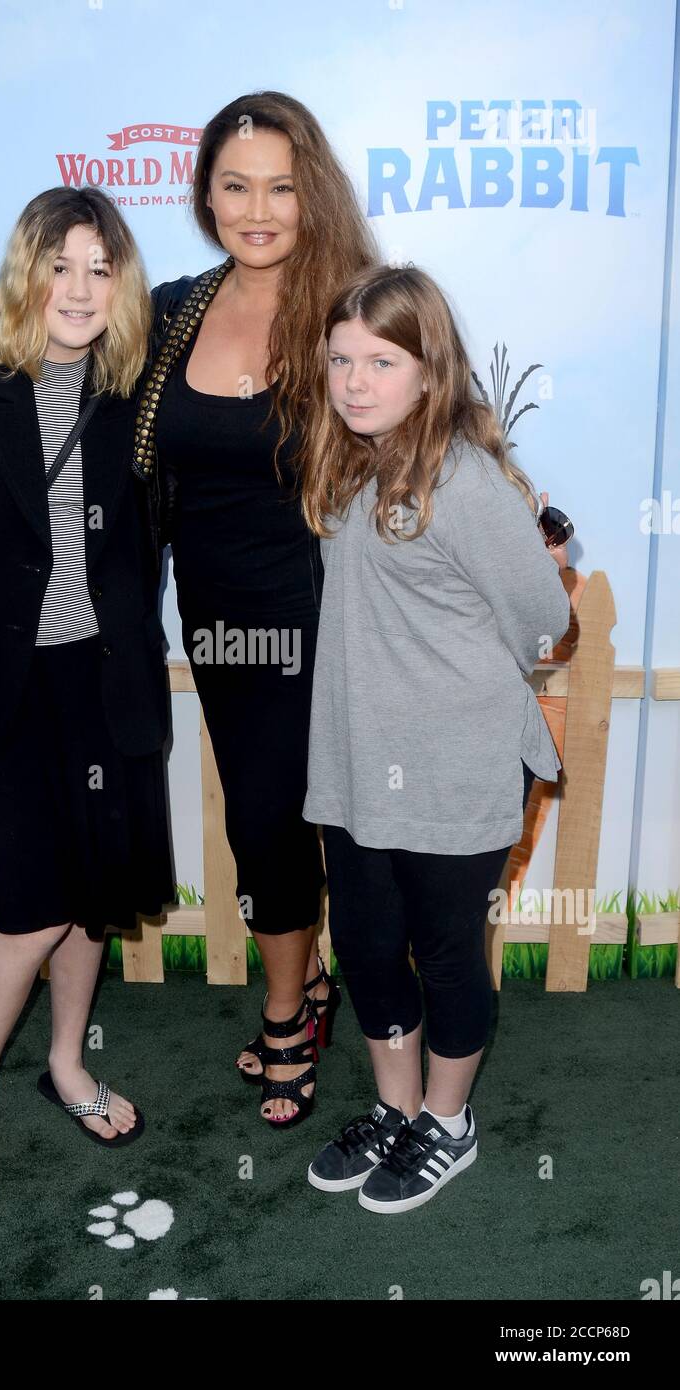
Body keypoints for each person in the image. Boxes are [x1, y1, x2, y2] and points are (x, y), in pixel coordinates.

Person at [0, 186, 175, 1211]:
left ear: (123, 285)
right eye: (58, 265)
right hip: (11, 696)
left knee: (92, 902)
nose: (78, 287)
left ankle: (65, 1062)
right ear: (26, 275)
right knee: (28, 911)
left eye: (99, 268)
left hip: (103, 686)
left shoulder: (133, 411)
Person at [299, 264, 571, 1210]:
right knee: (370, 949)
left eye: (381, 360)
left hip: (455, 771)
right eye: (341, 359)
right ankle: (398, 1110)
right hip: (352, 762)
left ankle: (449, 1127)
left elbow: (545, 621)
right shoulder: (342, 463)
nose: (355, 380)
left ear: (430, 369)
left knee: (448, 954)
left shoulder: (465, 479)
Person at [134, 91, 379, 1125]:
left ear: (309, 190)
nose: (257, 206)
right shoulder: (172, 309)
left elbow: (432, 428)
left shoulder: (354, 306)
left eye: (280, 184)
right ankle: (300, 991)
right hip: (223, 614)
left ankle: (296, 1012)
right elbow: (110, 453)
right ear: (203, 196)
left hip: (338, 603)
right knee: (261, 818)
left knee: (350, 822)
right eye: (234, 185)